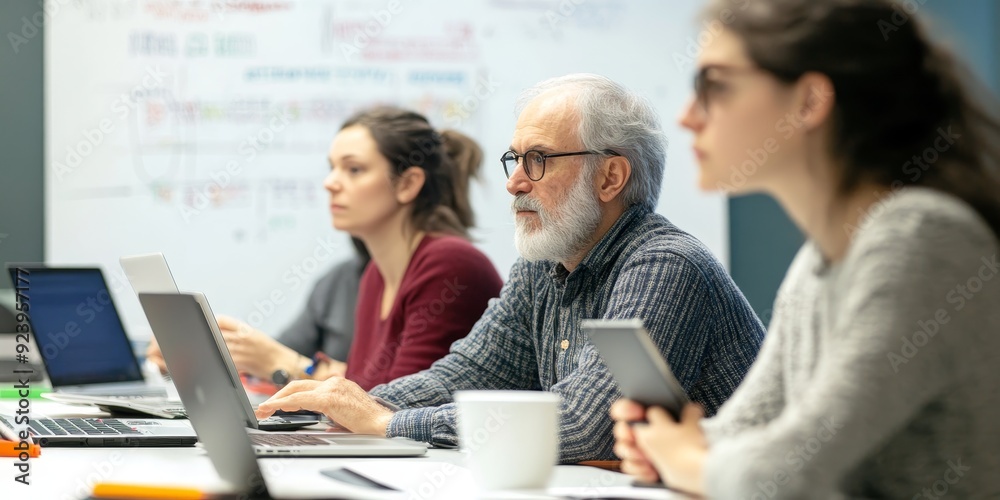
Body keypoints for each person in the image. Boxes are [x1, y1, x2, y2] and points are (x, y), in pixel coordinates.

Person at [255, 74, 766, 463]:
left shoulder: (664, 265)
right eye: (514, 159)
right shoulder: (541, 265)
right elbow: (472, 372)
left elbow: (586, 421)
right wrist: (342, 406)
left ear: (610, 176)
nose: (515, 182)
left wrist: (391, 424)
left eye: (539, 159)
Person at [611, 0, 1000, 497]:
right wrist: (666, 447)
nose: (687, 117)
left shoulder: (922, 239)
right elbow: (748, 437)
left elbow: (785, 475)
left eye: (715, 85)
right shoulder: (819, 261)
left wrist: (685, 457)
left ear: (810, 101)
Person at [150, 106, 504, 391]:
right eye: (332, 168)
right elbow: (364, 391)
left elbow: (397, 410)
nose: (330, 183)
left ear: (408, 184)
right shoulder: (376, 275)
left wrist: (284, 363)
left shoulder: (450, 264)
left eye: (353, 169)